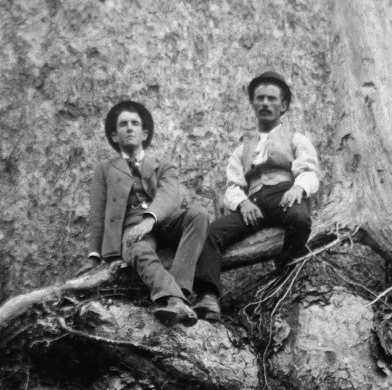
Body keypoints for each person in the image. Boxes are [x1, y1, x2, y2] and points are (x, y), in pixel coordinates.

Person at [195, 71, 321, 315]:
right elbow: (233, 185)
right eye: (260, 98)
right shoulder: (242, 147)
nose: (265, 103)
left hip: (284, 195)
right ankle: (207, 297)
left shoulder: (295, 138)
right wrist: (243, 203)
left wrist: (298, 187)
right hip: (253, 203)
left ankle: (284, 276)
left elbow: (309, 171)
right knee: (212, 232)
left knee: (300, 219)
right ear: (252, 103)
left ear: (283, 105)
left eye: (272, 98)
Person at [86, 99, 218, 325]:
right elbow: (97, 214)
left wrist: (149, 220)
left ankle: (179, 293)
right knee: (139, 249)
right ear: (115, 136)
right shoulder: (105, 170)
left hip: (162, 222)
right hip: (130, 230)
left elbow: (170, 195)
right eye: (123, 124)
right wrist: (93, 257)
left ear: (144, 134)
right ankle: (175, 300)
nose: (129, 128)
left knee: (198, 215)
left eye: (135, 123)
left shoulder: (162, 166)